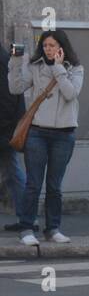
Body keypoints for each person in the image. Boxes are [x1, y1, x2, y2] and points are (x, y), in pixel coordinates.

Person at [7, 29, 83, 246]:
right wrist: (15, 62)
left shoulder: (75, 69)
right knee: (33, 183)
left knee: (54, 186)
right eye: (45, 45)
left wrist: (58, 68)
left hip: (64, 134)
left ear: (62, 47)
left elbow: (70, 94)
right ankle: (26, 228)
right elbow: (15, 88)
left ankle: (53, 229)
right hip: (37, 133)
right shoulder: (36, 67)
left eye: (52, 45)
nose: (48, 49)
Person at [0, 72, 25, 230]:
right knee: (13, 173)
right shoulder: (9, 64)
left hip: (4, 131)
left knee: (13, 173)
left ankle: (27, 218)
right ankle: (27, 218)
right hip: (9, 131)